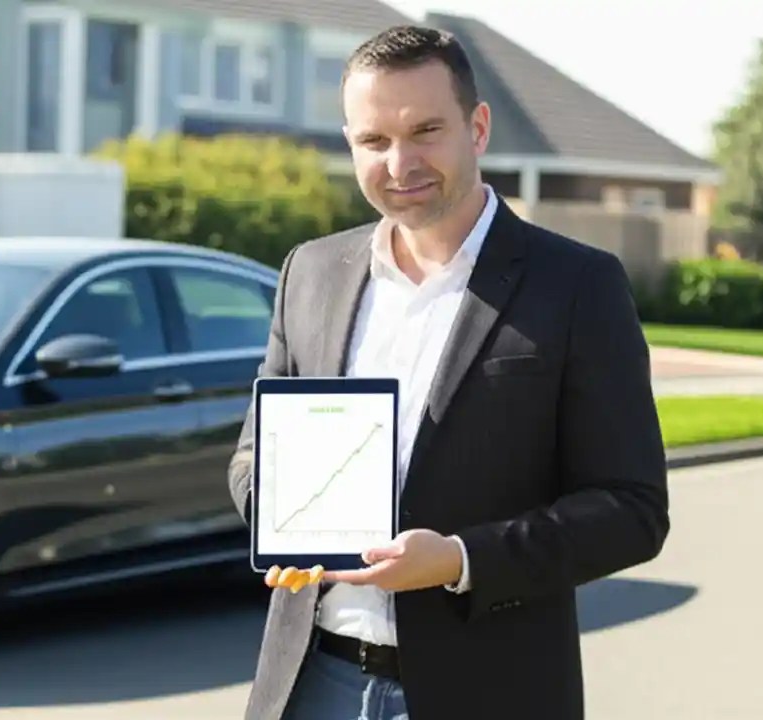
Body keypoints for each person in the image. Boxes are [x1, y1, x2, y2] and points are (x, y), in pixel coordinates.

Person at [227, 24, 669, 720]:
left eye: (425, 130)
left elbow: (631, 510)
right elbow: (254, 456)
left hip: (486, 691)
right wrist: (281, 522)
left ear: (478, 126)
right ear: (350, 143)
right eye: (374, 140)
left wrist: (463, 558)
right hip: (312, 685)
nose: (400, 162)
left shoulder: (578, 285)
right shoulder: (309, 273)